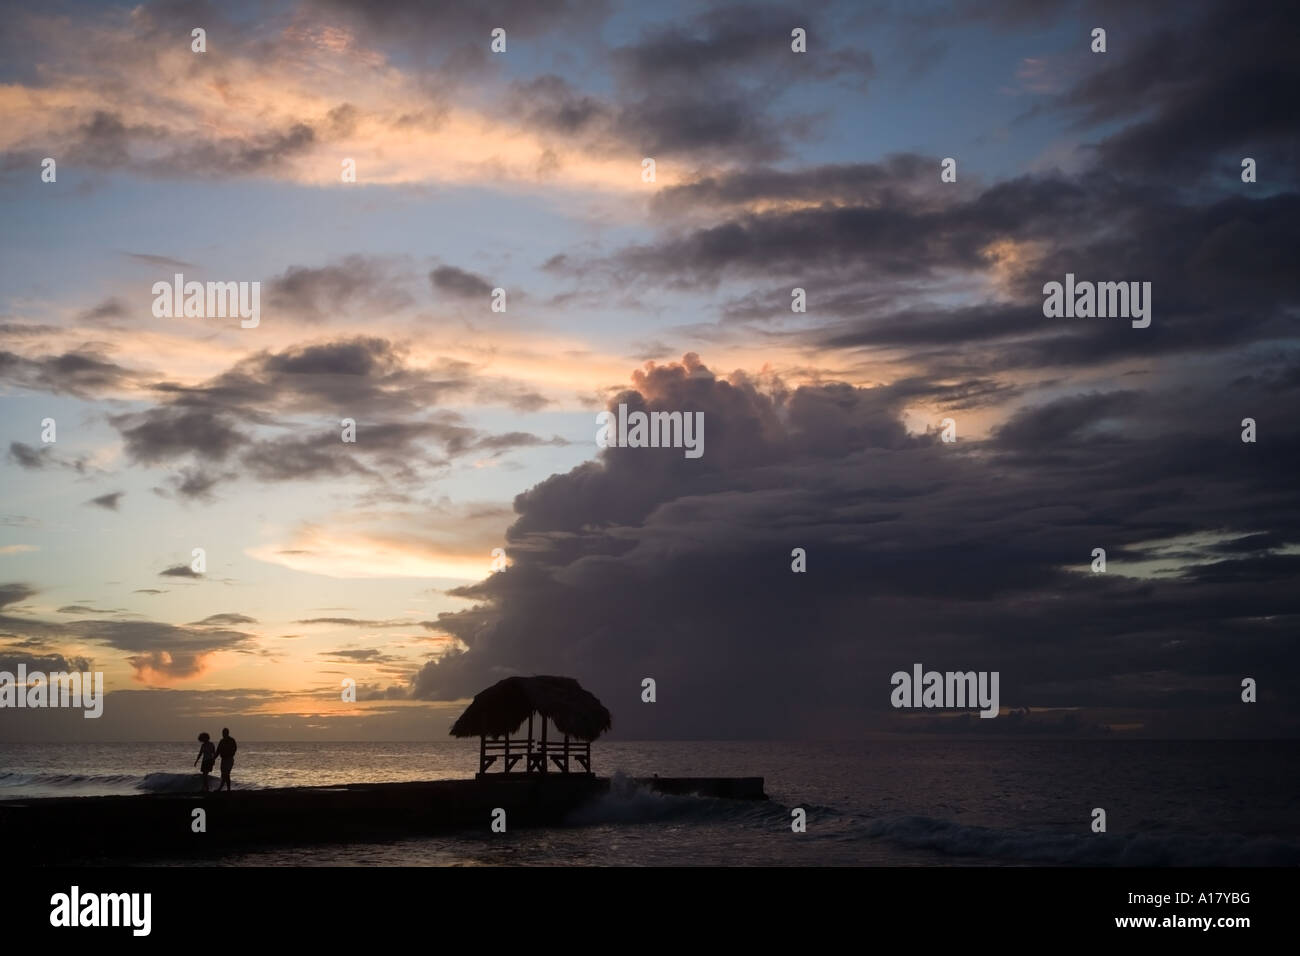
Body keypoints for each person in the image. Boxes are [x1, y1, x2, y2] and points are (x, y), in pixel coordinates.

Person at [214, 727, 237, 792]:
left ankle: (227, 789)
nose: (223, 734)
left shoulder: (231, 740)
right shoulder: (221, 741)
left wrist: (231, 754)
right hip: (223, 760)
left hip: (229, 759)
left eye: (224, 733)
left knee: (226, 774)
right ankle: (222, 788)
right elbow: (218, 751)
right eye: (223, 733)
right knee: (223, 774)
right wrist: (213, 759)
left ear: (227, 733)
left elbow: (235, 748)